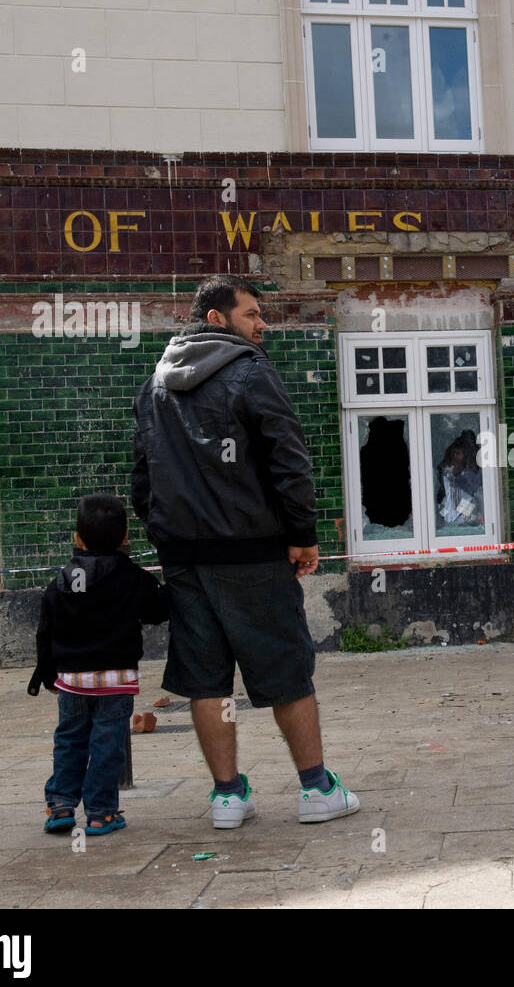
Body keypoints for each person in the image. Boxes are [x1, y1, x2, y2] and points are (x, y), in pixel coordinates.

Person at [132, 275, 359, 829]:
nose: (263, 324)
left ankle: (228, 798)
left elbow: (142, 478)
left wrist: (168, 538)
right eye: (252, 314)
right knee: (286, 669)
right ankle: (315, 789)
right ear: (216, 319)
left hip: (184, 558)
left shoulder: (155, 387)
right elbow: (289, 459)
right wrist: (302, 534)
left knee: (206, 678)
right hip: (252, 552)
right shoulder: (252, 373)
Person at [29, 494, 170, 836]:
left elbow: (46, 631)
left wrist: (45, 674)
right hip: (116, 682)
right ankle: (100, 813)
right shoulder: (132, 576)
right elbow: (157, 611)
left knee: (70, 741)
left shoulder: (62, 580)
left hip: (73, 682)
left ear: (77, 538)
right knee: (107, 746)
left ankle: (60, 805)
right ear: (124, 538)